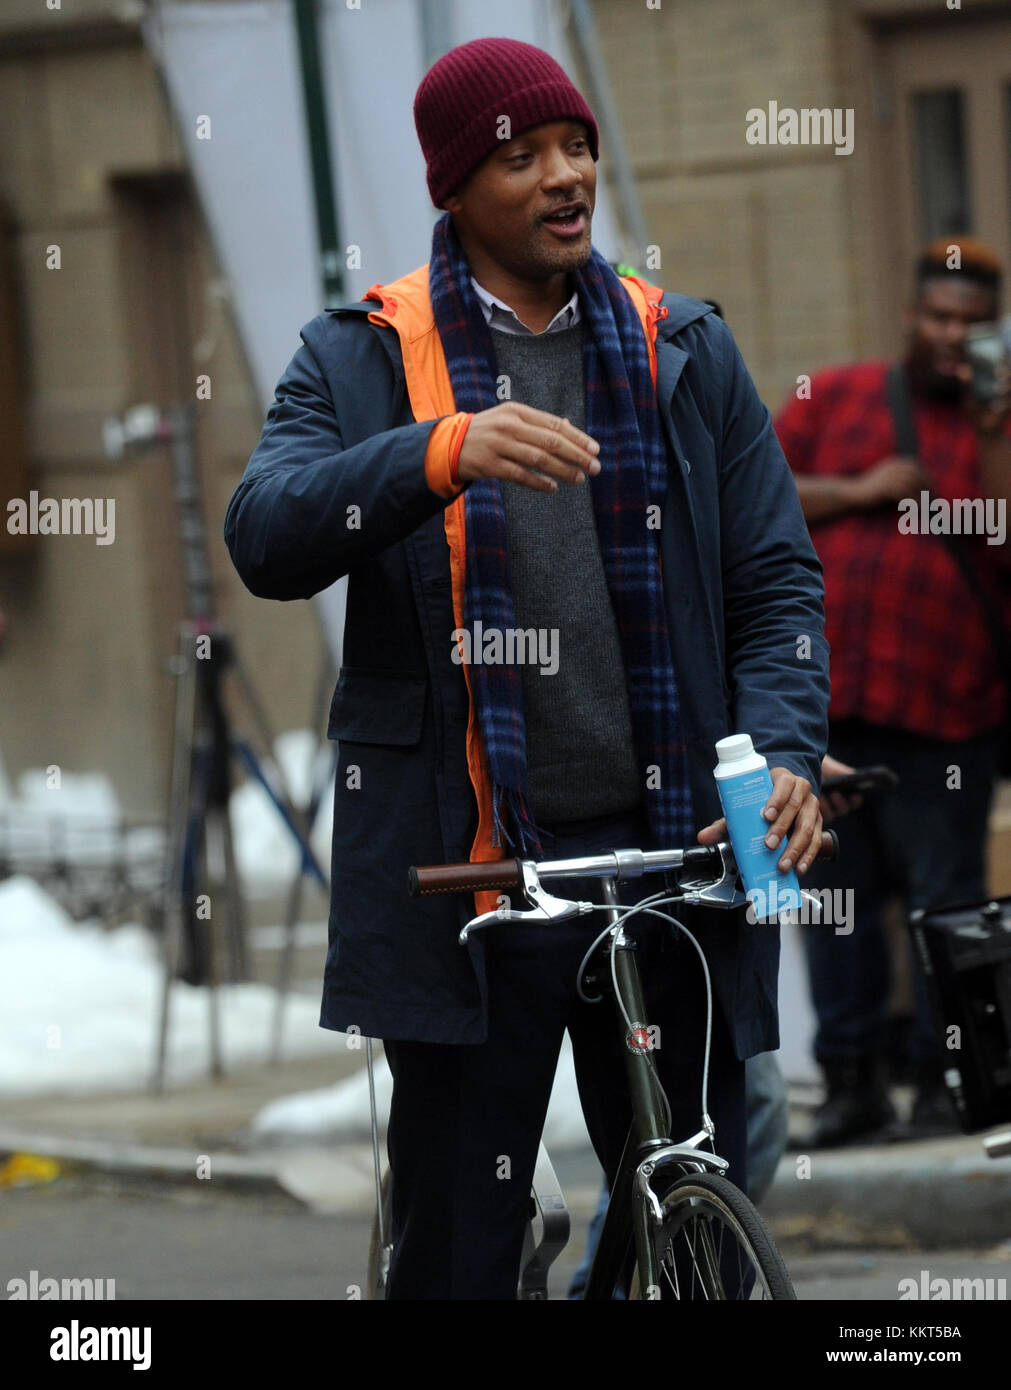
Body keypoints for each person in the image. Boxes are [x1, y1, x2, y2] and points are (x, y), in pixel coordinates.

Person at [224, 36, 830, 1299]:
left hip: (668, 859)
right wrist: (436, 450)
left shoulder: (684, 347)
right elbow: (268, 537)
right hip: (476, 872)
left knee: (688, 1198)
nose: (565, 177)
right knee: (463, 1243)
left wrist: (779, 746)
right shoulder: (363, 356)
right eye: (521, 158)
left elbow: (778, 582)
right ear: (454, 186)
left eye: (577, 146)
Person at [774, 238, 1011, 1148]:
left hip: (948, 714)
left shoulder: (995, 425)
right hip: (823, 710)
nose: (951, 336)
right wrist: (860, 488)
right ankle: (849, 1087)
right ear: (911, 316)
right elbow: (753, 499)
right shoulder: (836, 396)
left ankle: (946, 1086)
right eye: (938, 317)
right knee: (830, 905)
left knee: (942, 908)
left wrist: (993, 435)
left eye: (971, 325)